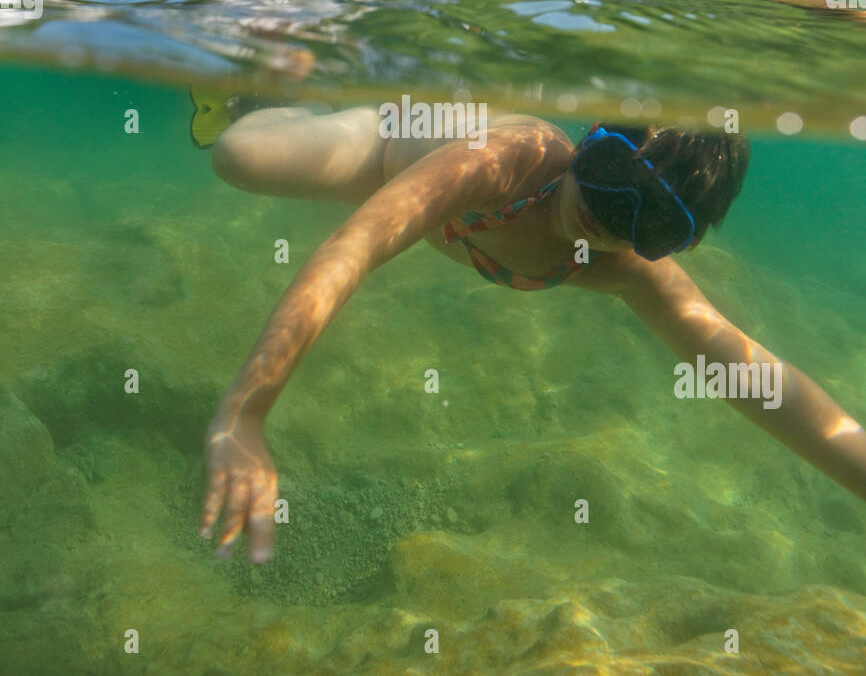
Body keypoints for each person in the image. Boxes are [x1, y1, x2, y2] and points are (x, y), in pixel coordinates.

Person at [199, 111, 866, 561]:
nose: (605, 218)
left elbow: (752, 376)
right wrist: (244, 414)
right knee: (237, 155)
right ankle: (265, 96)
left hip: (441, 208)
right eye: (610, 175)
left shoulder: (625, 270)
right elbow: (355, 246)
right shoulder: (510, 162)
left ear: (674, 243)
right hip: (388, 151)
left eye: (651, 220)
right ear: (591, 139)